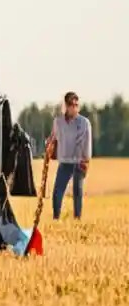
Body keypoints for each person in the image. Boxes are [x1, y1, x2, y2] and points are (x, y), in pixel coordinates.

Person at [49, 91, 93, 220]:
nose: (73, 107)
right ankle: (56, 217)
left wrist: (86, 160)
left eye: (76, 105)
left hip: (79, 161)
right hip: (64, 161)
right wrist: (49, 149)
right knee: (57, 192)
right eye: (71, 104)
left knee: (77, 191)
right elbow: (53, 139)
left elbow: (87, 143)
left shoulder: (84, 122)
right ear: (65, 106)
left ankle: (77, 218)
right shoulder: (58, 122)